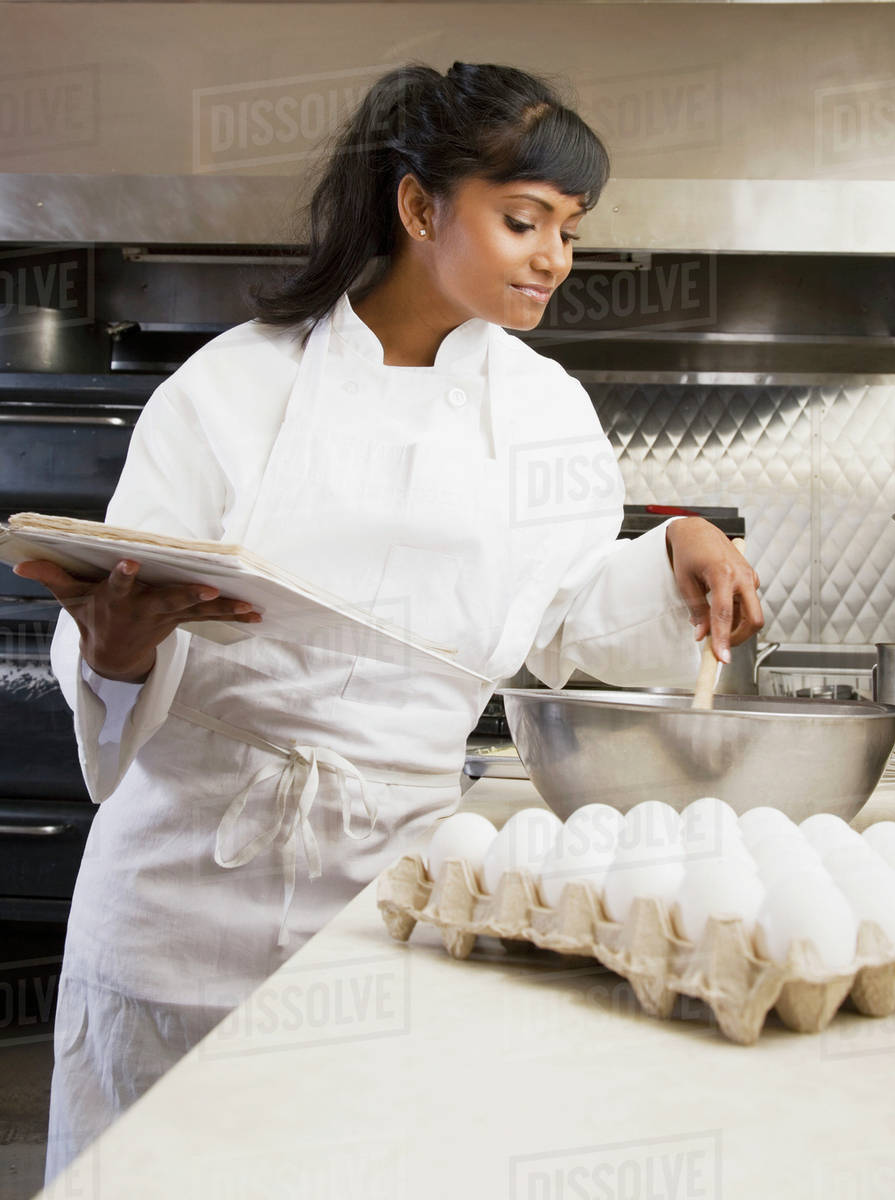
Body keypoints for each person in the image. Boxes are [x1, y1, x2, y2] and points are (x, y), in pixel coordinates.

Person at [17, 61, 763, 1182]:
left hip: (394, 894)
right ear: (418, 208)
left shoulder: (544, 412)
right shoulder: (233, 388)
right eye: (524, 221)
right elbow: (125, 598)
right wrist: (115, 652)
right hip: (185, 898)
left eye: (570, 229)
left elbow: (564, 611)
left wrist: (675, 553)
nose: (556, 258)